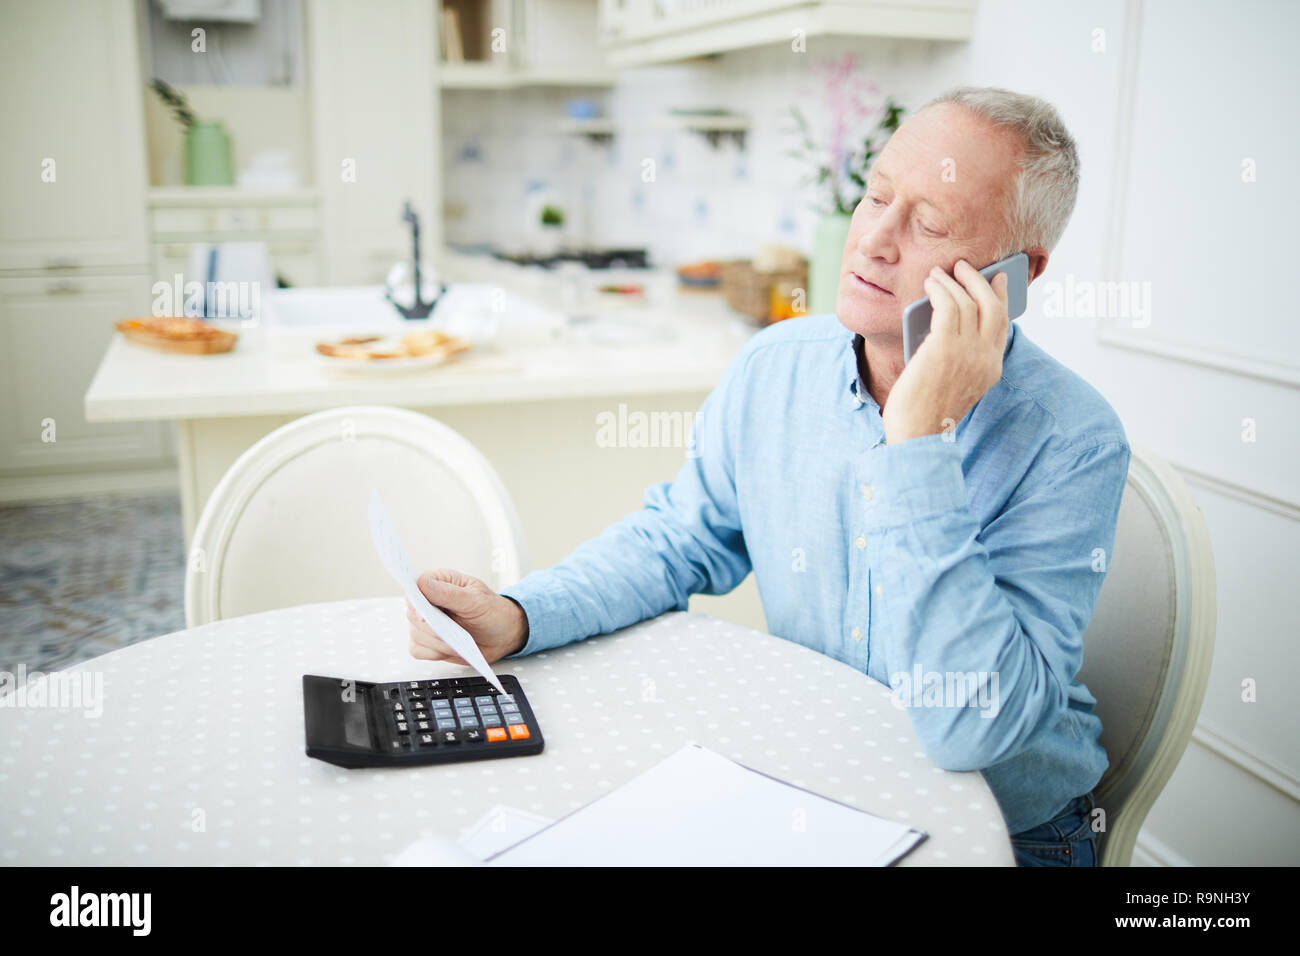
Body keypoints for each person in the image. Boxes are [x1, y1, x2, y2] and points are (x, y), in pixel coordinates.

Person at [406, 86, 1125, 867]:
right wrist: (518, 614)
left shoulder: (1073, 440)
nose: (874, 241)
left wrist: (918, 442)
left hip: (1010, 832)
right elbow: (675, 543)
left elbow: (970, 728)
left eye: (928, 224)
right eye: (875, 197)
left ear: (1015, 275)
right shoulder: (774, 369)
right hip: (823, 791)